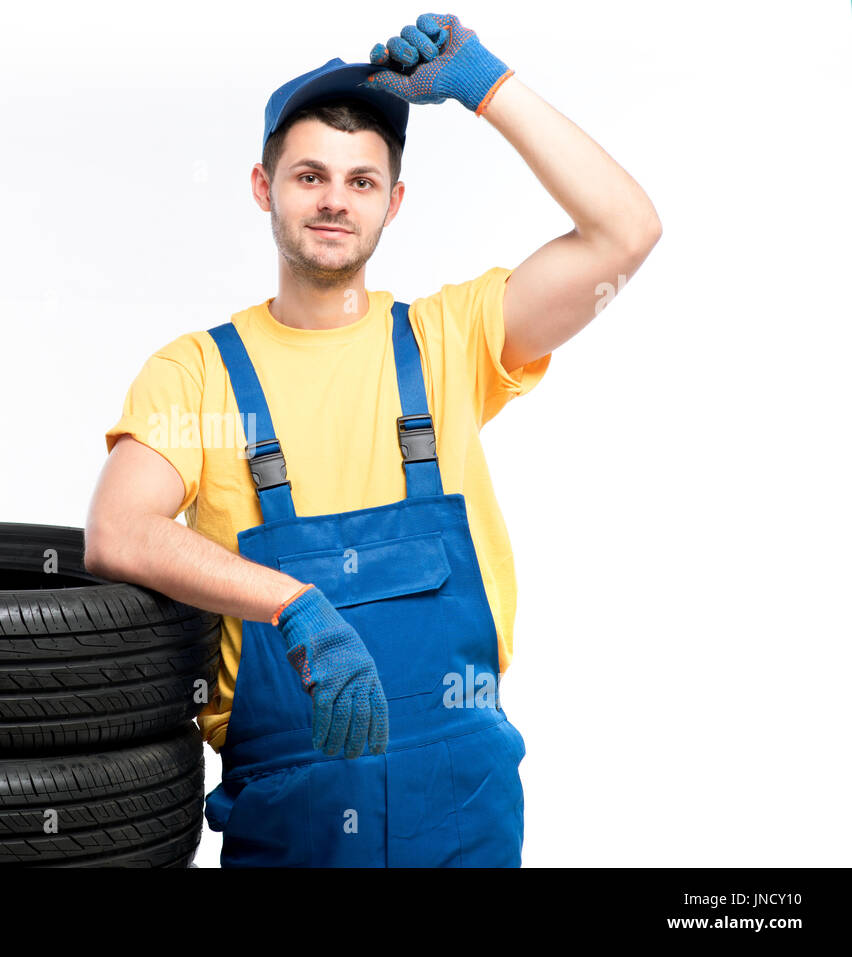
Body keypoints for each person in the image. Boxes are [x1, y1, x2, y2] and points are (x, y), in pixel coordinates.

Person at [85, 12, 660, 867]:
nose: (333, 201)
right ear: (262, 185)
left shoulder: (449, 341)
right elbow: (117, 532)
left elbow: (627, 232)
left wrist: (490, 88)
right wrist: (293, 602)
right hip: (295, 809)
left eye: (361, 182)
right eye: (310, 175)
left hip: (464, 797)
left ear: (393, 203)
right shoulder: (198, 373)